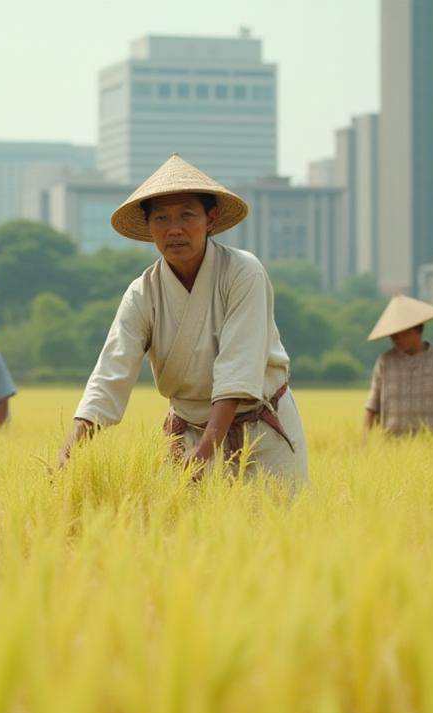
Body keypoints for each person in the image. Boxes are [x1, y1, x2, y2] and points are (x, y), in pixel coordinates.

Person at [59, 153, 309, 483]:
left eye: (187, 215)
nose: (174, 229)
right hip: (188, 434)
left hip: (261, 431)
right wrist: (70, 450)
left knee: (277, 527)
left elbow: (237, 366)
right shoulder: (142, 294)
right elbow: (110, 374)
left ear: (211, 217)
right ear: (149, 227)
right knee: (184, 530)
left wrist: (207, 449)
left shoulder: (243, 273)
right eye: (161, 218)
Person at [363, 294, 433, 438]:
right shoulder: (385, 361)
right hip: (391, 448)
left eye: (399, 334)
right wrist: (365, 442)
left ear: (416, 330)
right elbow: (372, 407)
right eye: (392, 335)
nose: (394, 339)